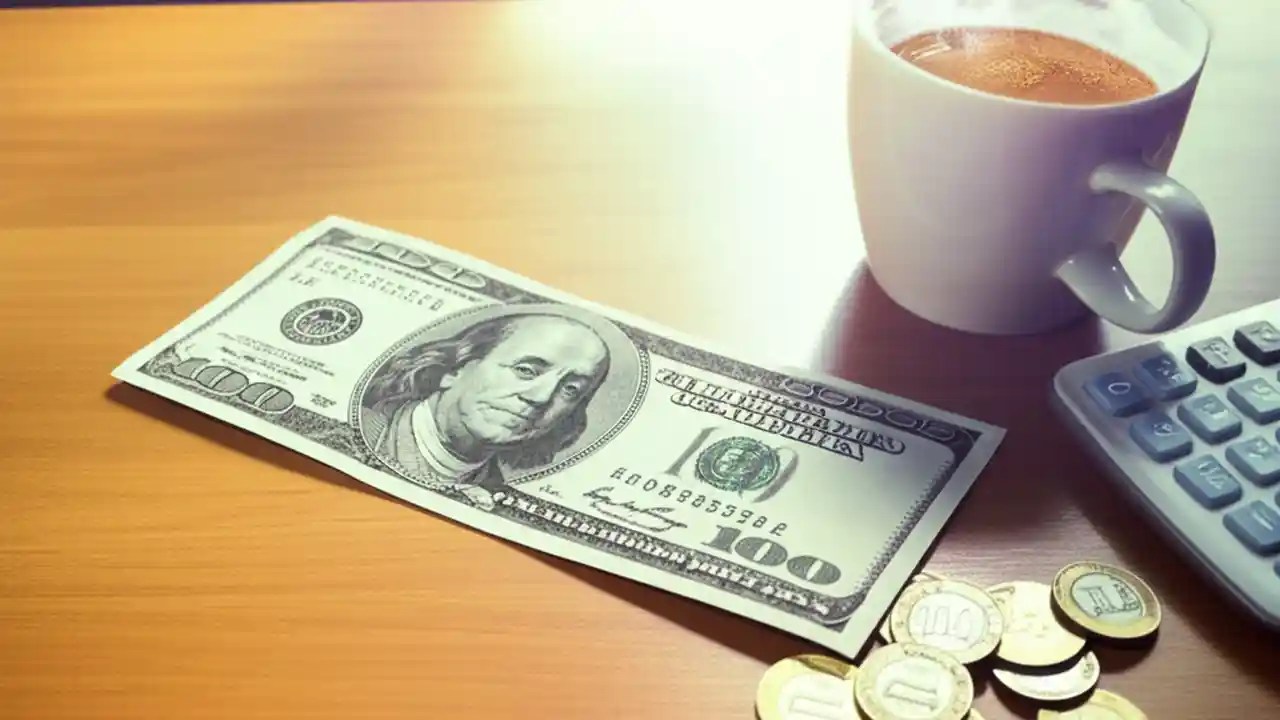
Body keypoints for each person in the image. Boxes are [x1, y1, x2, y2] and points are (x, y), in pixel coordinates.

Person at [362, 312, 611, 496]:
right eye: (525, 370)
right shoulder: (365, 430)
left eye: (570, 390)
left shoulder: (497, 494)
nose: (541, 397)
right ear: (456, 369)